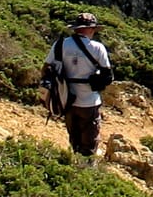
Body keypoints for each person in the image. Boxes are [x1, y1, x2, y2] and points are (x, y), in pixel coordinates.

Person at [44, 13, 112, 156]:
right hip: (89, 100)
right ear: (90, 29)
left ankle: (75, 162)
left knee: (74, 138)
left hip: (66, 99)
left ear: (76, 28)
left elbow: (46, 68)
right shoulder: (98, 48)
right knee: (90, 141)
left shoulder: (60, 45)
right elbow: (107, 76)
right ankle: (87, 165)